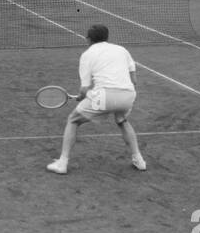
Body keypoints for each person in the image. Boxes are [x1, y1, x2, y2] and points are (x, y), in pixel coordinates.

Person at [47, 24, 146, 175]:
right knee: (122, 121)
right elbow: (134, 79)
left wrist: (81, 97)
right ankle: (139, 160)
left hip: (104, 96)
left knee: (73, 120)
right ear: (107, 37)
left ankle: (62, 163)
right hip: (128, 95)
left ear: (88, 39)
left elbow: (84, 89)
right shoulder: (121, 50)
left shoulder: (87, 55)